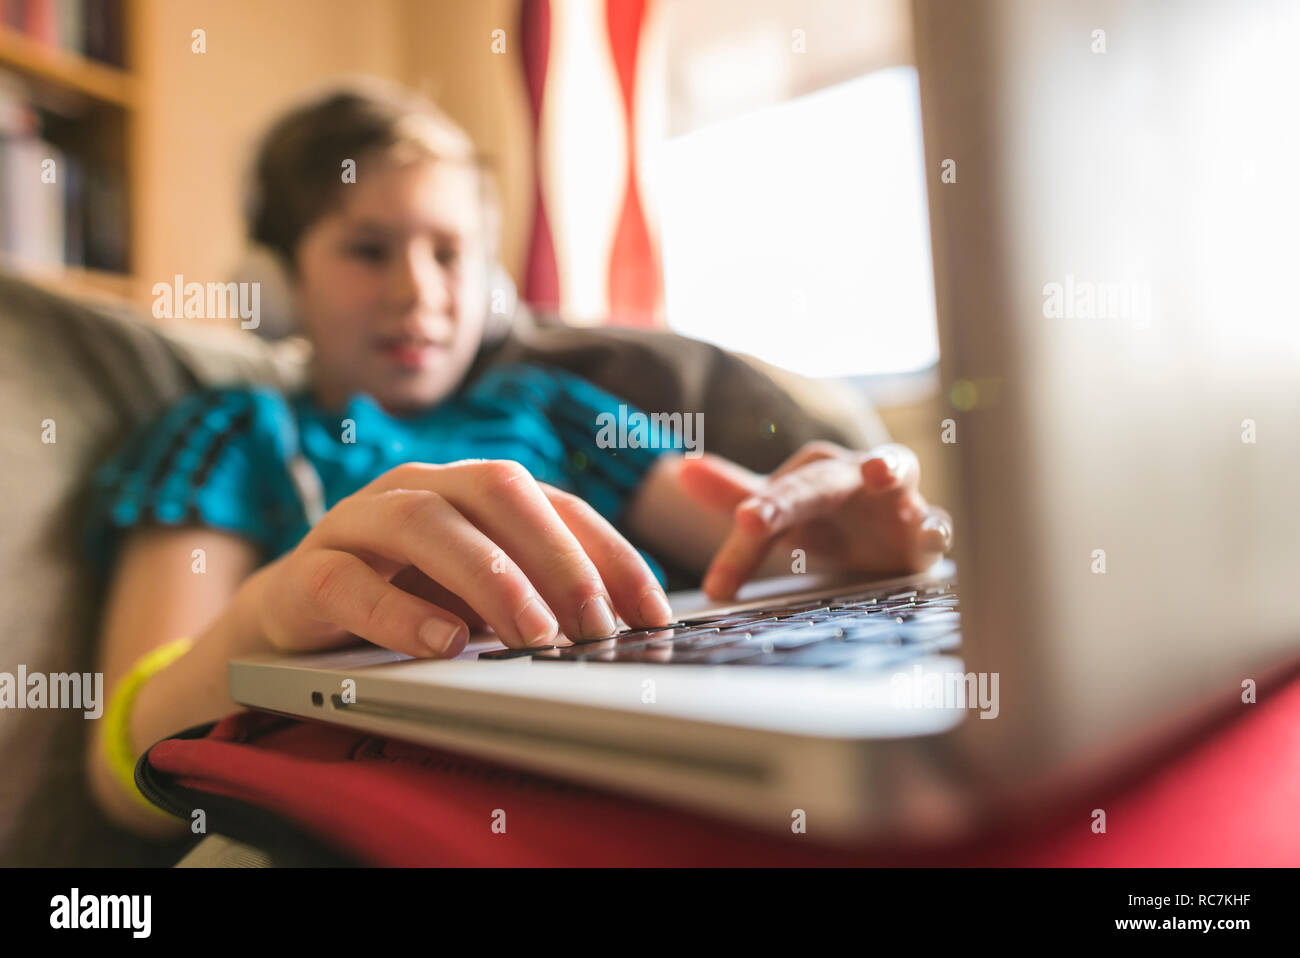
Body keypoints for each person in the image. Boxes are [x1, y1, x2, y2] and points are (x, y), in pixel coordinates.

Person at [83, 80, 953, 838]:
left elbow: (751, 538)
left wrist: (853, 542)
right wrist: (257, 624)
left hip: (648, 734)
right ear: (278, 283)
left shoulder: (553, 409)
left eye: (450, 253)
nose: (417, 290)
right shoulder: (231, 433)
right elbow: (122, 773)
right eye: (367, 248)